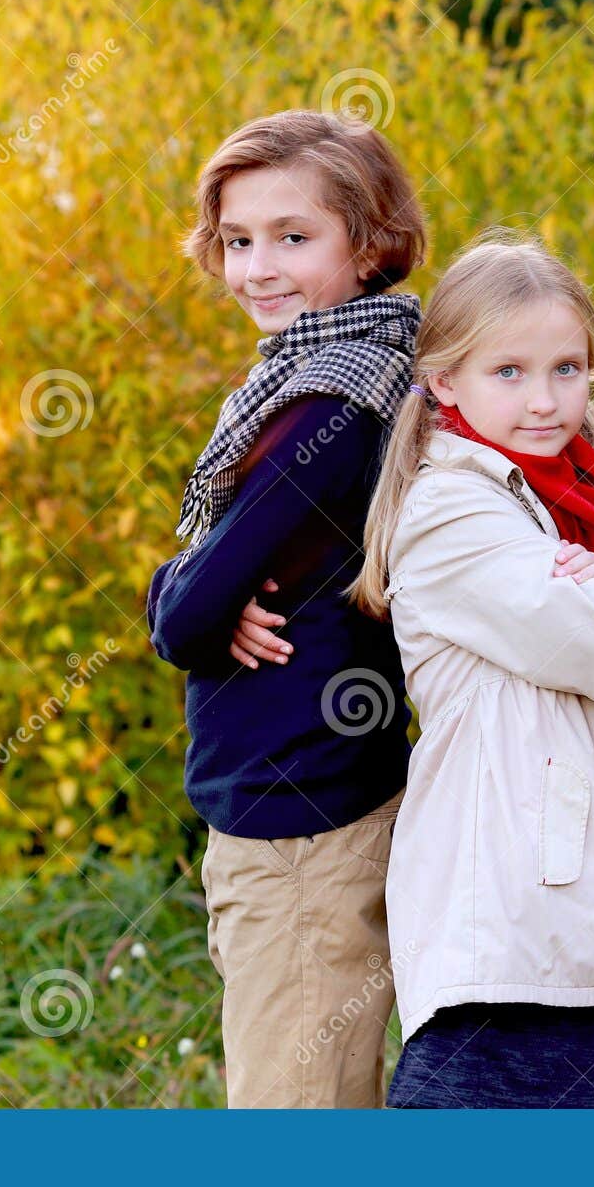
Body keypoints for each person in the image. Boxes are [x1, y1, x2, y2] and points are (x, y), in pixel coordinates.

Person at [344, 228, 594, 1108]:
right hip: (513, 920)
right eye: (509, 371)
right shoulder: (450, 510)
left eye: (567, 368)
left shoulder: (587, 512)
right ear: (445, 381)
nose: (543, 399)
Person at [147, 109, 426, 1107]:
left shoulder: (328, 409)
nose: (258, 267)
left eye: (293, 237)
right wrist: (191, 591)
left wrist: (180, 596)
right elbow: (202, 591)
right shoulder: (346, 373)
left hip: (298, 818)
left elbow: (186, 623)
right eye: (237, 239)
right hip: (307, 797)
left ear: (371, 241)